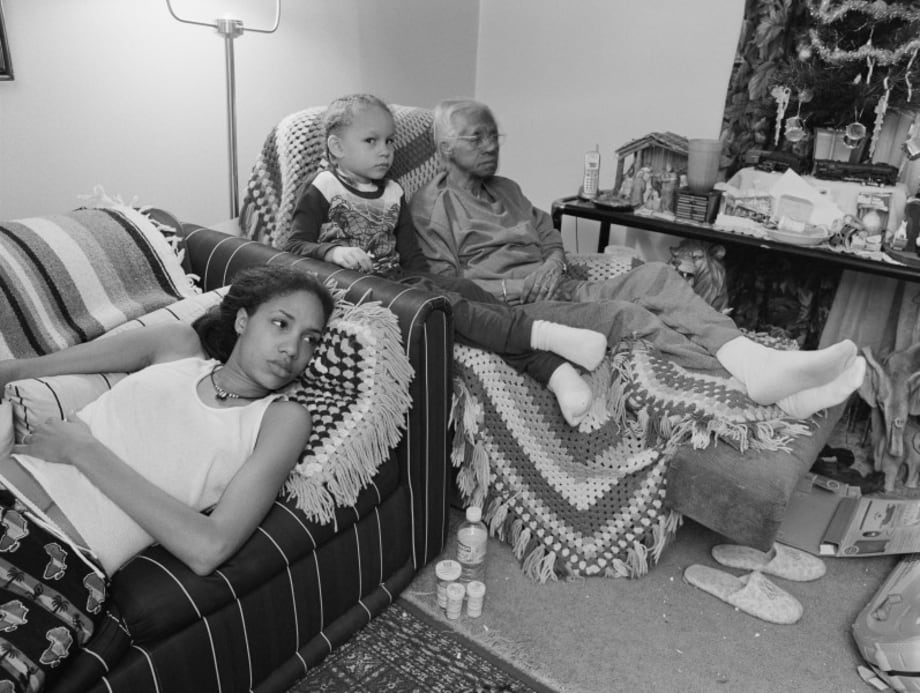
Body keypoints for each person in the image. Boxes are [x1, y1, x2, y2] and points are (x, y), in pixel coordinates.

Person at [409, 98, 866, 420]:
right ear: (446, 148)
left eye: (494, 136)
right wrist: (516, 287)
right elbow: (449, 287)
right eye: (477, 138)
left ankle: (755, 361)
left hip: (561, 283)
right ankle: (757, 391)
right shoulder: (432, 208)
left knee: (658, 276)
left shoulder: (506, 188)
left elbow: (547, 231)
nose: (491, 146)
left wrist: (552, 262)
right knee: (627, 315)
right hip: (517, 309)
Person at [0, 265, 334, 690]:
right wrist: (10, 374)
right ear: (243, 320)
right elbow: (26, 369)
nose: (292, 348)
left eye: (310, 339)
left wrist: (82, 451)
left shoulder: (280, 420)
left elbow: (208, 547)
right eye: (281, 324)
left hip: (62, 568)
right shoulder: (178, 348)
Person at [284, 93, 607, 426]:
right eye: (371, 141)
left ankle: (556, 372)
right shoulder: (324, 186)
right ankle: (546, 338)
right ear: (337, 147)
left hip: (397, 280)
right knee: (452, 307)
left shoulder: (393, 192)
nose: (385, 150)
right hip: (355, 289)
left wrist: (439, 286)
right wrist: (332, 252)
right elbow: (292, 245)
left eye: (389, 141)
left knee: (467, 291)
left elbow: (412, 259)